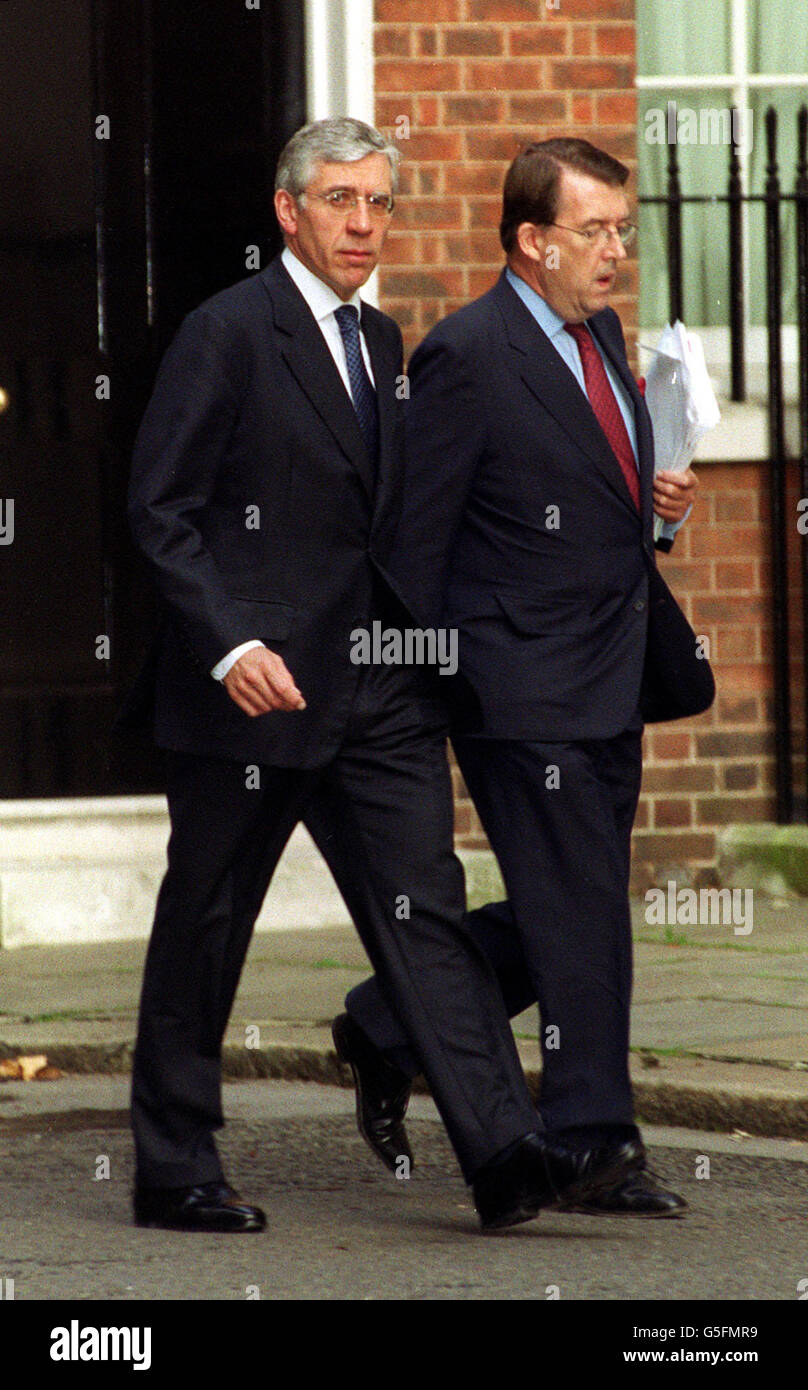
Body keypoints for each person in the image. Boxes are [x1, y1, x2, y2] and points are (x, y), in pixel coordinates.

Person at [125, 120, 642, 1235]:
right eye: (339, 201)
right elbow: (159, 511)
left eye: (379, 204)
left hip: (373, 691)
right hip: (247, 699)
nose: (362, 224)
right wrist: (230, 643)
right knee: (207, 925)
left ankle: (504, 1151)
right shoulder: (228, 333)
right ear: (288, 212)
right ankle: (174, 1165)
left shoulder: (387, 342)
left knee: (429, 919)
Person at [329, 138, 714, 1219]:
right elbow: (413, 546)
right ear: (530, 240)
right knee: (584, 908)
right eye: (593, 231)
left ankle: (387, 1022)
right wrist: (469, 672)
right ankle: (591, 1142)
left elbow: (591, 506)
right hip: (521, 692)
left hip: (612, 673)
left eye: (622, 230)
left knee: (572, 906)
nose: (615, 251)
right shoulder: (467, 354)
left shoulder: (600, 340)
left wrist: (657, 516)